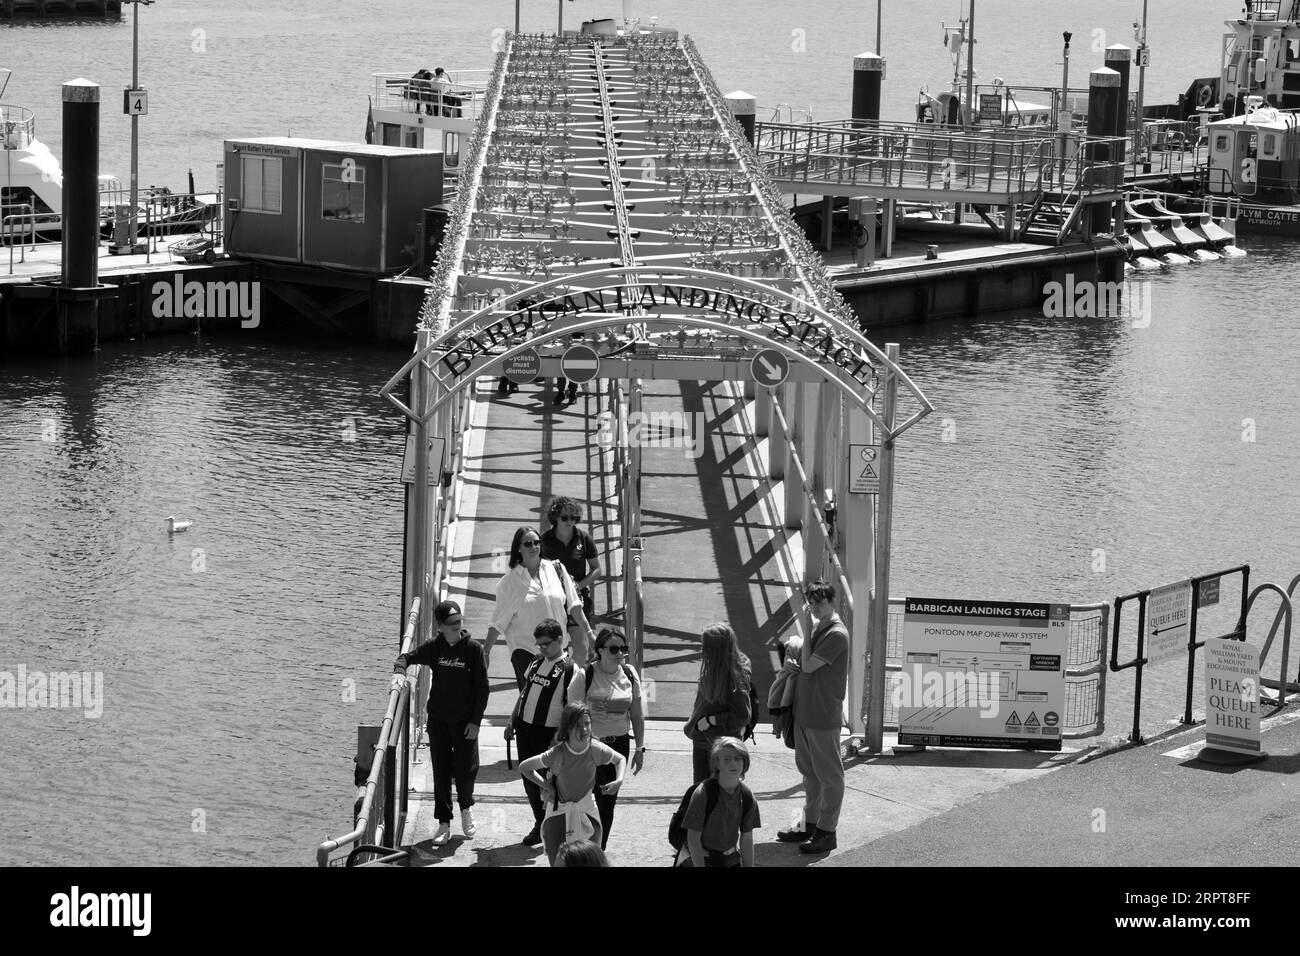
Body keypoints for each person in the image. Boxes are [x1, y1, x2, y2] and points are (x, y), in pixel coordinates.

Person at [390, 599, 488, 845]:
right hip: (438, 721)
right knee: (441, 771)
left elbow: (483, 689)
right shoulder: (435, 648)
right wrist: (399, 673)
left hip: (466, 722)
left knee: (467, 770)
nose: (457, 627)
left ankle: (466, 808)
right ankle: (443, 822)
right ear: (440, 625)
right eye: (452, 624)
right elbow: (406, 657)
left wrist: (476, 721)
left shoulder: (473, 650)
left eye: (459, 623)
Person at [776, 579, 849, 855]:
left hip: (822, 714)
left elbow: (808, 665)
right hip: (806, 713)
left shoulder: (836, 634)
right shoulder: (821, 627)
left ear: (832, 602)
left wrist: (805, 630)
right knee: (810, 774)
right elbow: (806, 665)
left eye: (820, 602)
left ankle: (827, 832)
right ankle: (809, 824)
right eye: (811, 601)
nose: (814, 607)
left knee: (830, 776)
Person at [485, 526, 596, 690]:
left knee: (556, 702)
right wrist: (485, 652)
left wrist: (589, 633)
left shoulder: (556, 569)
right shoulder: (508, 583)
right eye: (528, 543)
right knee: (532, 706)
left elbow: (574, 605)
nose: (533, 547)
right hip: (527, 652)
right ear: (518, 548)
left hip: (558, 649)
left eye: (536, 542)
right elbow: (497, 623)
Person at [518, 702, 625, 865]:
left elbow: (620, 759)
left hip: (587, 811)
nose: (584, 730)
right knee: (558, 863)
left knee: (591, 862)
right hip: (558, 814)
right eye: (577, 725)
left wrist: (619, 780)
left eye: (587, 724)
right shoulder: (557, 753)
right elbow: (524, 767)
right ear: (567, 727)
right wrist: (547, 786)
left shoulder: (595, 749)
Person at [568, 625, 645, 848]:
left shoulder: (630, 674)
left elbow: (637, 715)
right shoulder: (585, 675)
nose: (620, 653)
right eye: (614, 649)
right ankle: (580, 850)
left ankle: (598, 851)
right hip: (588, 747)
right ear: (600, 650)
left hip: (618, 746)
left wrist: (640, 749)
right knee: (583, 803)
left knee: (607, 804)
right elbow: (571, 715)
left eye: (623, 648)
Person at [504, 618, 575, 847]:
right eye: (539, 645)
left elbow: (572, 708)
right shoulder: (535, 663)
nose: (542, 648)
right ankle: (539, 821)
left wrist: (560, 737)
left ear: (559, 640)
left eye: (546, 644)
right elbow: (524, 693)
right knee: (529, 778)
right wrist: (511, 720)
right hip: (526, 729)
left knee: (549, 781)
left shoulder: (570, 669)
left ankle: (550, 825)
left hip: (550, 733)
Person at [683, 623, 753, 784]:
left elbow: (743, 715)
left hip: (717, 744)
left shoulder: (734, 677)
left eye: (705, 646)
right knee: (710, 793)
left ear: (714, 649)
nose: (702, 650)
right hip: (708, 741)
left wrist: (712, 720)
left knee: (712, 794)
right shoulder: (727, 667)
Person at [540, 496, 602, 661]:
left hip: (578, 600)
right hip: (553, 600)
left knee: (581, 650)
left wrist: (579, 586)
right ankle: (561, 681)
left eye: (574, 517)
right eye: (565, 517)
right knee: (557, 649)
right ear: (555, 517)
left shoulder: (584, 538)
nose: (570, 521)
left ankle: (578, 684)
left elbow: (597, 569)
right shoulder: (544, 541)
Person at [681, 737, 760, 868]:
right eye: (726, 759)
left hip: (731, 859)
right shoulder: (704, 793)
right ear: (716, 763)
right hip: (701, 859)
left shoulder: (747, 796)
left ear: (745, 762)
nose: (733, 763)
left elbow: (746, 838)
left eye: (738, 758)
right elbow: (693, 838)